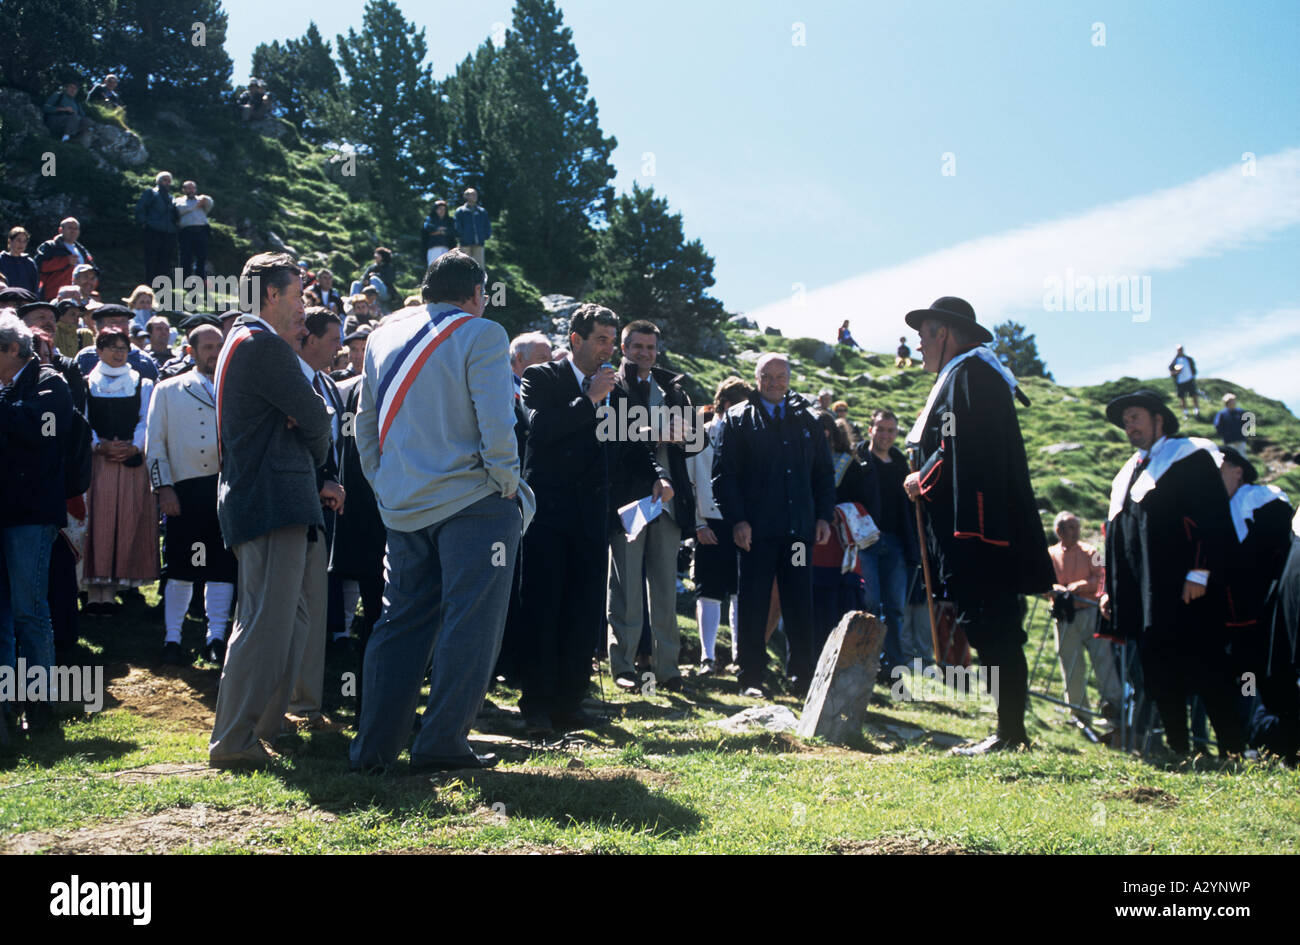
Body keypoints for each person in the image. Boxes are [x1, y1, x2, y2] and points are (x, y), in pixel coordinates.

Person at [350, 251, 525, 772]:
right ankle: (442, 742)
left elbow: (365, 421)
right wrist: (508, 484)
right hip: (475, 501)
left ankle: (373, 749)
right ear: (476, 292)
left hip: (403, 503)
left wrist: (384, 482)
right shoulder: (483, 333)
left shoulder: (383, 332)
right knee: (470, 623)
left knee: (398, 623)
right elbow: (497, 421)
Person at [901, 297, 1055, 754]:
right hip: (982, 529)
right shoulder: (969, 376)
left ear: (943, 333)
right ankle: (1010, 733)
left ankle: (1010, 735)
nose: (919, 347)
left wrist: (920, 477)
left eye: (924, 336)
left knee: (994, 628)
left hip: (980, 532)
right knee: (994, 628)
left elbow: (955, 448)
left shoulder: (969, 377)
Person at [517, 304, 669, 734]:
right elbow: (540, 429)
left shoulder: (616, 390)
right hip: (547, 515)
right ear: (577, 340)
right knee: (544, 607)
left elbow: (634, 443)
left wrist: (657, 476)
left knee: (583, 610)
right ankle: (537, 705)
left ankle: (571, 702)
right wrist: (589, 401)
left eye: (611, 339)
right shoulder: (542, 377)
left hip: (591, 517)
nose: (608, 349)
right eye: (601, 339)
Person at [208, 252, 334, 769]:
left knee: (291, 619)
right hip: (272, 499)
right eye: (298, 294)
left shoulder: (245, 341)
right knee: (265, 623)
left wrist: (303, 422)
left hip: (262, 497)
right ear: (270, 296)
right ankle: (234, 741)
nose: (306, 305)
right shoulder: (265, 346)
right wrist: (313, 430)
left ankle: (265, 724)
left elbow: (303, 418)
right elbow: (318, 421)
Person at [1099, 389, 1243, 757]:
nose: (1129, 425)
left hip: (1185, 590)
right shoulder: (1129, 473)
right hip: (1148, 598)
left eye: (1135, 417)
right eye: (1125, 420)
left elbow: (1210, 516)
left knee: (1208, 668)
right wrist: (1110, 589)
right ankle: (1180, 749)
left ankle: (1231, 750)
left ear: (1158, 418)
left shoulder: (1188, 456)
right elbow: (1118, 536)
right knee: (1158, 672)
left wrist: (1200, 569)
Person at [713, 353, 835, 698]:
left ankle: (802, 678)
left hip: (797, 534)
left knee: (799, 600)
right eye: (767, 376)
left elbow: (823, 474)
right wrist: (737, 520)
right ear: (757, 379)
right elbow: (724, 476)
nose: (774, 383)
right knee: (753, 601)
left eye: (781, 376)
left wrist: (823, 516)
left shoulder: (807, 421)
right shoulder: (737, 419)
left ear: (789, 378)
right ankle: (750, 677)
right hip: (757, 534)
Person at [607, 320, 697, 694]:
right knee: (625, 585)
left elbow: (697, 442)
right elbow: (607, 435)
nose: (645, 353)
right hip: (628, 498)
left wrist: (689, 432)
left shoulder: (673, 388)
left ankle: (668, 668)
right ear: (623, 348)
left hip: (669, 499)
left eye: (651, 347)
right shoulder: (611, 385)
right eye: (637, 346)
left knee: (664, 587)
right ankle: (624, 665)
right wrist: (652, 432)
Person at [145, 324, 237, 666]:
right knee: (181, 567)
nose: (214, 352)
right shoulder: (168, 389)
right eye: (208, 347)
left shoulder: (237, 387)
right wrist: (163, 487)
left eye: (219, 345)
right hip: (184, 489)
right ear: (191, 351)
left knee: (222, 567)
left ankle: (216, 637)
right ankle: (173, 637)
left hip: (225, 489)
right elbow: (154, 444)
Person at [0, 312, 75, 734]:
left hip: (30, 514)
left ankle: (42, 704)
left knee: (29, 610)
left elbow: (42, 429)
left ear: (13, 349)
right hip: (7, 509)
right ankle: (7, 705)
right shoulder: (14, 388)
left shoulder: (51, 383)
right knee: (5, 613)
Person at [1218, 448, 1295, 756]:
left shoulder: (1263, 500)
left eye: (1220, 469)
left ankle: (1274, 744)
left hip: (1265, 617)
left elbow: (1281, 554)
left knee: (1263, 682)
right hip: (1238, 622)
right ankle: (1250, 742)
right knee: (1245, 681)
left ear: (1239, 471)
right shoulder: (1222, 509)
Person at [82, 327, 157, 615]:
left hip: (129, 463)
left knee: (125, 518)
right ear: (98, 351)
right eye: (111, 347)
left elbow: (146, 420)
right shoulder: (88, 383)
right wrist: (98, 446)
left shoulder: (142, 383)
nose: (118, 353)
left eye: (122, 347)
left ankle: (112, 591)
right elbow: (83, 420)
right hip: (98, 463)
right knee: (98, 520)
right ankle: (93, 592)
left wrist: (134, 447)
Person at [495, 331, 554, 684]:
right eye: (541, 359)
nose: (548, 367)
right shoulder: (504, 389)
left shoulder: (544, 394)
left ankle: (514, 658)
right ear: (518, 360)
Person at [688, 378, 750, 674]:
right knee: (708, 590)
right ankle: (707, 658)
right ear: (726, 405)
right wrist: (698, 524)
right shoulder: (699, 435)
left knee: (740, 591)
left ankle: (740, 659)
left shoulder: (748, 438)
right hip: (708, 521)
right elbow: (688, 482)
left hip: (739, 522)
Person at [859, 408, 923, 669]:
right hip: (865, 542)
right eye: (881, 429)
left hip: (896, 542)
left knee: (896, 607)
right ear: (870, 429)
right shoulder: (857, 461)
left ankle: (893, 666)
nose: (886, 435)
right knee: (869, 602)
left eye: (891, 430)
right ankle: (864, 661)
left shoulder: (903, 466)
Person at [810, 410, 875, 662]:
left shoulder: (850, 465)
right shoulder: (802, 460)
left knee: (839, 604)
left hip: (838, 545)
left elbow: (865, 504)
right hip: (810, 545)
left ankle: (841, 661)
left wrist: (837, 513)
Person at [1047, 511, 1122, 726]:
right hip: (1064, 615)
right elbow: (1045, 580)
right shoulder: (1050, 554)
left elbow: (1103, 576)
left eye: (1077, 527)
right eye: (1070, 527)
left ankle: (1114, 710)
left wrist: (1080, 586)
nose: (1075, 531)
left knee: (1103, 662)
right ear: (1059, 531)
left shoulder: (1091, 551)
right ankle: (1079, 714)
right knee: (1070, 664)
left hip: (1090, 612)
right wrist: (1058, 589)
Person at [33, 218, 93, 301]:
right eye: (70, 228)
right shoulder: (50, 246)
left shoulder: (82, 251)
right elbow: (38, 266)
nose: (73, 231)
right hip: (54, 296)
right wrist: (65, 261)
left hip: (80, 297)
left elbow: (94, 272)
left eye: (75, 229)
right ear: (60, 230)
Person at [135, 171, 179, 284]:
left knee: (165, 259)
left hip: (169, 232)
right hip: (153, 230)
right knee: (151, 257)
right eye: (165, 180)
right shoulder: (151, 192)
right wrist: (144, 223)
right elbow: (141, 208)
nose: (168, 183)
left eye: (169, 181)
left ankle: (162, 284)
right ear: (158, 181)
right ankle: (150, 283)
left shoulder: (171, 197)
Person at [174, 180, 213, 283]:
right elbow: (180, 210)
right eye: (189, 188)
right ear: (184, 190)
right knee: (186, 256)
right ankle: (185, 280)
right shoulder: (179, 200)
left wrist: (205, 199)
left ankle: (200, 279)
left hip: (201, 230)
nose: (191, 190)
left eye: (193, 188)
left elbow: (210, 204)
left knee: (202, 256)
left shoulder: (201, 200)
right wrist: (196, 205)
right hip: (186, 231)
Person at [453, 189, 491, 267]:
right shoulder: (460, 211)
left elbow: (487, 225)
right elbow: (457, 226)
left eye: (475, 194)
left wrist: (486, 235)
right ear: (466, 196)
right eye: (472, 194)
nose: (474, 196)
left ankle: (480, 280)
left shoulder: (482, 211)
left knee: (479, 267)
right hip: (465, 244)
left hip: (479, 243)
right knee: (465, 266)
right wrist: (462, 237)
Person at [0, 227, 38, 294]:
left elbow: (34, 287)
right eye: (18, 240)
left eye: (24, 241)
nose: (21, 244)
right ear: (10, 241)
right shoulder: (2, 259)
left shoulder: (29, 263)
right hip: (5, 300)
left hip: (24, 300)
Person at [421, 200, 458, 267]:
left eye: (444, 209)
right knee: (432, 268)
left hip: (447, 249)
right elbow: (427, 228)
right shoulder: (430, 219)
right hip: (433, 248)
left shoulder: (449, 220)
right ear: (435, 210)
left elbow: (453, 232)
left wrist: (437, 232)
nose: (442, 211)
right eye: (440, 209)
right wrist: (441, 230)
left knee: (446, 269)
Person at [1168, 345, 1199, 418]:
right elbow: (1171, 371)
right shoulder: (1174, 361)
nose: (1180, 351)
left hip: (1189, 379)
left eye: (1181, 349)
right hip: (1180, 382)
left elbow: (1193, 368)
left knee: (1194, 395)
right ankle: (1186, 412)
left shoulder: (1188, 359)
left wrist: (1193, 375)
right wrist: (1176, 372)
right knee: (1182, 397)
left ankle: (1196, 410)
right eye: (1179, 350)